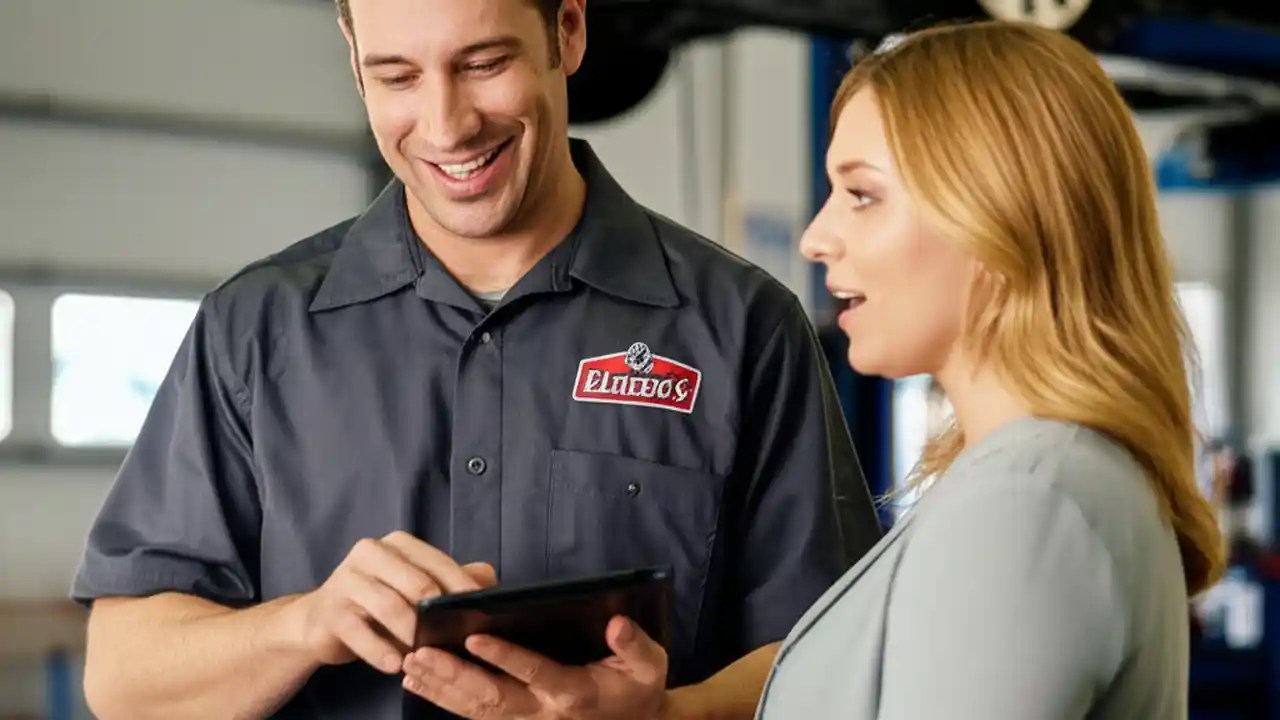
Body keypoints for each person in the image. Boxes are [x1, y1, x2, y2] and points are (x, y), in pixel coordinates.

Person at [72, 0, 881, 718]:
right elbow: (124, 681)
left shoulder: (742, 329)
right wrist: (306, 624)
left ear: (568, 29)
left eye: (483, 64)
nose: (447, 124)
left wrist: (671, 714)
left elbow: (835, 658)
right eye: (396, 76)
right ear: (353, 60)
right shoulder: (254, 333)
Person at [754, 20, 1226, 720]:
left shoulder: (1025, 502)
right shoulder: (1043, 479)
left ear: (997, 214)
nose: (816, 238)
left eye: (862, 195)